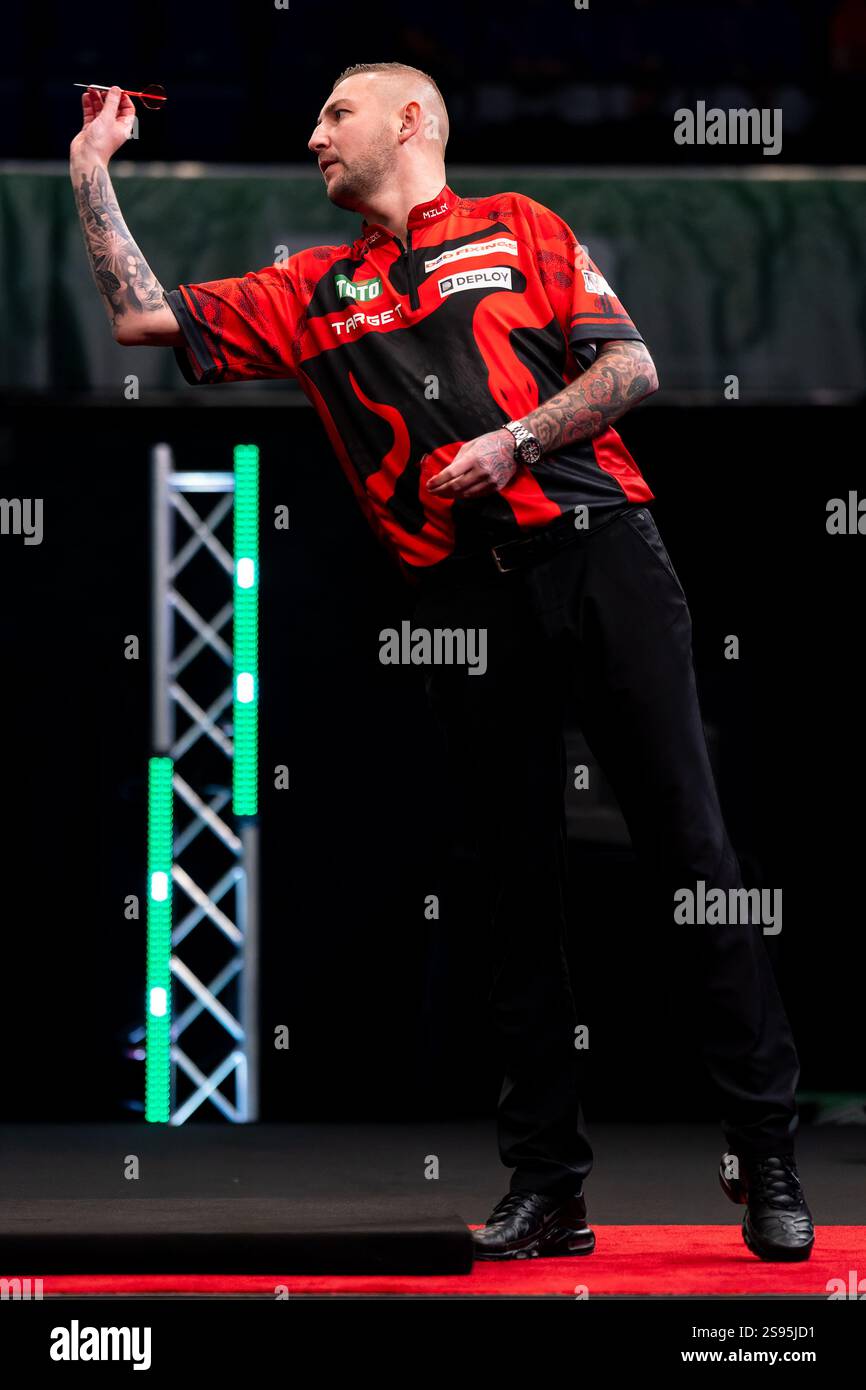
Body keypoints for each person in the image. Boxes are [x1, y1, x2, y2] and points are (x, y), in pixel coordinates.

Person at [69, 62, 814, 1262]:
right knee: (512, 886)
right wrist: (90, 171)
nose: (314, 134)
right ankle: (547, 1188)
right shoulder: (313, 290)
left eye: (334, 114)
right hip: (464, 597)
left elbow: (629, 372)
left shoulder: (519, 225)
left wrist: (513, 443)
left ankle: (767, 1155)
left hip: (600, 553)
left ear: (409, 122)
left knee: (695, 852)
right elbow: (137, 318)